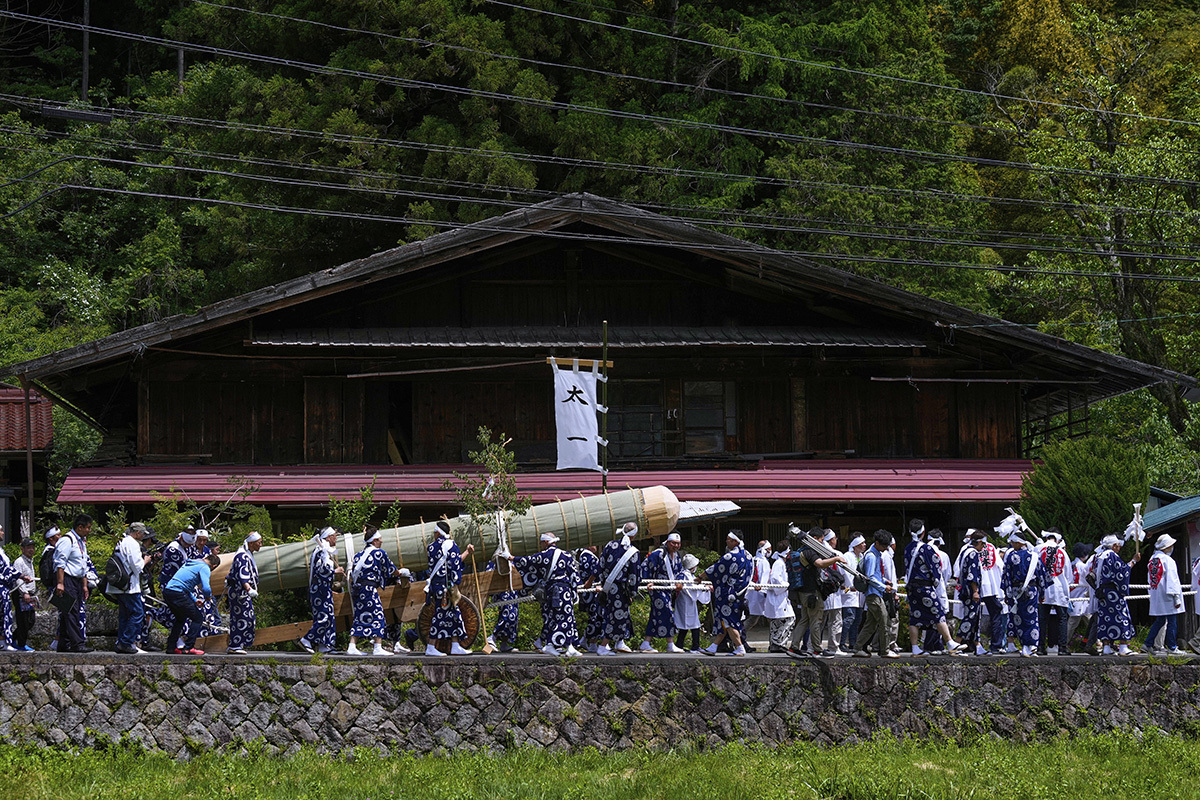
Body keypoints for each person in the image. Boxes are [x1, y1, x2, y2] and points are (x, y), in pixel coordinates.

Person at [507, 532, 580, 656]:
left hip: (551, 590)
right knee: (565, 617)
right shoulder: (566, 555)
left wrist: (513, 558)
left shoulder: (543, 555)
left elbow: (528, 562)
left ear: (546, 542)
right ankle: (556, 645)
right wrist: (575, 590)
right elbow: (574, 575)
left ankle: (567, 646)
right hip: (564, 590)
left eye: (541, 543)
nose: (541, 545)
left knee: (557, 617)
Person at [905, 525, 964, 656]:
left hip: (911, 587)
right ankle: (949, 642)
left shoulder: (907, 548)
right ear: (923, 532)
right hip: (925, 587)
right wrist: (936, 583)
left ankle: (915, 647)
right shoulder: (926, 549)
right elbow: (936, 569)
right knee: (938, 613)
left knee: (915, 617)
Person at [786, 526, 841, 658]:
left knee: (804, 619)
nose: (822, 543)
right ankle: (817, 649)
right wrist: (836, 559)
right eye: (821, 540)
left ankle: (794, 648)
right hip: (811, 593)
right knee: (816, 620)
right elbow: (820, 564)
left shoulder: (801, 550)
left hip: (803, 592)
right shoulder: (810, 551)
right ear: (814, 539)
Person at [423, 519, 474, 657]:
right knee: (441, 615)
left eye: (434, 532)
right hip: (446, 589)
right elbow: (455, 564)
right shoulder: (451, 545)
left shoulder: (431, 548)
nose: (434, 534)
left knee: (454, 615)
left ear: (438, 533)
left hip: (436, 587)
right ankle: (431, 646)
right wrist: (456, 581)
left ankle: (455, 645)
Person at [348, 526, 401, 656]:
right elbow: (390, 568)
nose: (381, 542)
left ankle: (352, 646)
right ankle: (377, 647)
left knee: (360, 616)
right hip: (369, 589)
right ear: (374, 541)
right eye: (379, 539)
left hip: (357, 590)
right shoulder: (379, 553)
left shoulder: (357, 555)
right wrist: (400, 573)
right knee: (378, 615)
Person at [700, 531, 752, 656]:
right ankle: (714, 647)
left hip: (728, 593)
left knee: (729, 621)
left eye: (729, 539)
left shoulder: (732, 555)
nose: (726, 541)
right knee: (723, 620)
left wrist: (700, 576)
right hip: (739, 593)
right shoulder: (748, 555)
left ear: (735, 541)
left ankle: (740, 647)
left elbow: (716, 568)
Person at [597, 522, 641, 656]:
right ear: (634, 535)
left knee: (618, 615)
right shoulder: (633, 551)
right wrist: (633, 591)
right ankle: (603, 646)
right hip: (621, 588)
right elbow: (634, 574)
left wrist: (603, 583)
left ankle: (619, 642)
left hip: (608, 587)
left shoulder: (610, 545)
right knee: (616, 616)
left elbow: (601, 565)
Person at [109, 522, 154, 654]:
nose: (143, 537)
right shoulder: (133, 544)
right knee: (137, 613)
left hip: (119, 585)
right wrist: (145, 560)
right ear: (138, 533)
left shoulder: (121, 542)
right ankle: (126, 642)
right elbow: (137, 567)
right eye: (142, 534)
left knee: (124, 615)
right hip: (129, 586)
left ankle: (121, 642)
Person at [1001, 531, 1047, 657]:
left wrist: (1007, 594)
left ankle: (1025, 647)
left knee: (1019, 619)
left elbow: (1006, 577)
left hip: (1016, 592)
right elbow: (1041, 577)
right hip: (1031, 591)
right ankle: (1032, 645)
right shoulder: (1034, 557)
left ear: (1018, 543)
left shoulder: (1011, 557)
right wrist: (1042, 593)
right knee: (1032, 618)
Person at [163, 553, 221, 655]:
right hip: (178, 593)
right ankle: (188, 647)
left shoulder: (191, 564)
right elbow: (206, 588)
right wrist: (208, 596)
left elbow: (184, 586)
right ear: (214, 566)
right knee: (197, 618)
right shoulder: (205, 567)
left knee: (180, 618)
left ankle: (171, 647)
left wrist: (194, 600)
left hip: (168, 591)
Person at [53, 514, 94, 653]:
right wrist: (60, 583)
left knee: (68, 610)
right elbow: (60, 563)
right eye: (87, 527)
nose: (89, 530)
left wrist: (84, 585)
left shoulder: (81, 542)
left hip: (77, 580)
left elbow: (82, 565)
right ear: (80, 527)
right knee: (72, 611)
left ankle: (63, 643)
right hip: (67, 579)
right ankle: (77, 643)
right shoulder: (67, 540)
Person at [1094, 533, 1140, 656]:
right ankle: (1123, 646)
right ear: (1114, 545)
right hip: (1113, 593)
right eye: (1118, 546)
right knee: (1121, 616)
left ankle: (1106, 647)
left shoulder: (1098, 556)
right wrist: (1133, 561)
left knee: (1105, 618)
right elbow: (1122, 573)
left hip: (1102, 592)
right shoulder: (1112, 556)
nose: (1119, 548)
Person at [854, 530, 897, 658]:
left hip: (875, 593)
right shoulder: (871, 556)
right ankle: (885, 650)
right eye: (884, 546)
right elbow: (870, 577)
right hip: (874, 594)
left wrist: (884, 581)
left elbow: (876, 575)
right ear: (877, 543)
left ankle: (857, 648)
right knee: (885, 621)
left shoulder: (876, 553)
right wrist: (884, 587)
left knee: (870, 625)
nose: (885, 549)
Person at [300, 527, 343, 654]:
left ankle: (325, 645)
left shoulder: (325, 550)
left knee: (329, 617)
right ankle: (307, 639)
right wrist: (335, 571)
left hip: (324, 590)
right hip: (319, 591)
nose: (336, 538)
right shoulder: (321, 551)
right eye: (334, 535)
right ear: (328, 537)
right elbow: (321, 571)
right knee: (323, 617)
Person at [639, 532, 683, 653]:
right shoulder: (658, 553)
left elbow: (680, 571)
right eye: (673, 543)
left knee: (655, 615)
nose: (676, 546)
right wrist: (648, 581)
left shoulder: (677, 556)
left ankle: (646, 643)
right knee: (667, 612)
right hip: (657, 588)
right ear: (668, 542)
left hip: (669, 589)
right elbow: (645, 566)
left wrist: (680, 582)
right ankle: (670, 643)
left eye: (678, 543)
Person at [1145, 534, 1184, 655]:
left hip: (1157, 594)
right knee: (1172, 621)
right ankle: (1172, 647)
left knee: (1160, 620)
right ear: (1166, 547)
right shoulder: (1168, 560)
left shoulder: (1152, 559)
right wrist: (1176, 597)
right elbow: (1172, 580)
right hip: (1168, 595)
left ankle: (1147, 643)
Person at [226, 531, 262, 654]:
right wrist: (249, 589)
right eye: (259, 542)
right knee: (242, 618)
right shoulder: (242, 556)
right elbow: (243, 575)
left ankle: (238, 644)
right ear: (251, 543)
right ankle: (235, 645)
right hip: (239, 593)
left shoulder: (246, 554)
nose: (261, 545)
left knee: (247, 618)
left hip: (241, 592)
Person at [1037, 530, 1071, 655]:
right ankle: (1062, 648)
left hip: (1043, 588)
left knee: (1042, 619)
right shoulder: (1062, 552)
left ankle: (1040, 647)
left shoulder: (1038, 549)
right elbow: (1068, 573)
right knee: (1062, 618)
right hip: (1059, 588)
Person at [956, 530, 987, 655]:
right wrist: (975, 591)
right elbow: (972, 574)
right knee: (970, 617)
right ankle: (957, 643)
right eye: (983, 544)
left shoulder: (965, 551)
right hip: (971, 590)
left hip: (965, 588)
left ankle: (977, 644)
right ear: (979, 542)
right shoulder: (973, 553)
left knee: (975, 617)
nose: (983, 547)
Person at [673, 553, 710, 653]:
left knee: (691, 624)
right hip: (685, 602)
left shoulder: (687, 575)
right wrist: (704, 588)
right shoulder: (684, 575)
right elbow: (692, 588)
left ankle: (681, 644)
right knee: (689, 624)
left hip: (688, 602)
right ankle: (692, 646)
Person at [763, 540, 795, 653]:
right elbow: (775, 579)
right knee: (789, 619)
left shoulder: (781, 563)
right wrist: (786, 585)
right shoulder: (779, 563)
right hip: (778, 597)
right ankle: (778, 642)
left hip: (780, 597)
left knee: (777, 622)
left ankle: (774, 644)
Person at [838, 534, 867, 654]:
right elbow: (842, 572)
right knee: (849, 618)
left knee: (857, 619)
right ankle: (841, 642)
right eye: (862, 543)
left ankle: (853, 643)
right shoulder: (847, 556)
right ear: (855, 545)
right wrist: (849, 585)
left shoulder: (862, 556)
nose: (865, 545)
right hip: (849, 592)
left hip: (859, 594)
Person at [819, 530, 846, 655]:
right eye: (835, 538)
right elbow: (844, 573)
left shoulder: (819, 552)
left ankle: (813, 646)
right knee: (835, 621)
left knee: (819, 622)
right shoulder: (837, 554)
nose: (836, 540)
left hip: (823, 592)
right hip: (834, 591)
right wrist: (847, 585)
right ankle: (833, 647)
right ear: (831, 540)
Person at [1066, 542, 1095, 654]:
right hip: (1080, 596)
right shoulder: (1083, 566)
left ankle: (1096, 642)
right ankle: (1063, 643)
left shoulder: (1072, 564)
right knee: (1074, 622)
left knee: (1090, 620)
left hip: (1076, 596)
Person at [574, 546, 602, 652]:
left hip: (593, 589)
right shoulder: (586, 555)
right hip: (591, 591)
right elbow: (589, 574)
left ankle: (586, 639)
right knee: (595, 616)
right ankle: (592, 642)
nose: (595, 547)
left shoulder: (587, 556)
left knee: (595, 616)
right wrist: (593, 585)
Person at [13, 538, 38, 651]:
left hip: (30, 594)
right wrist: (24, 593)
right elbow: (18, 579)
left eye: (32, 547)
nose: (31, 550)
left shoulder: (30, 561)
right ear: (22, 549)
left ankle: (13, 638)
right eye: (28, 547)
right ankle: (21, 644)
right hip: (21, 594)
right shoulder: (19, 562)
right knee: (23, 621)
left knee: (30, 620)